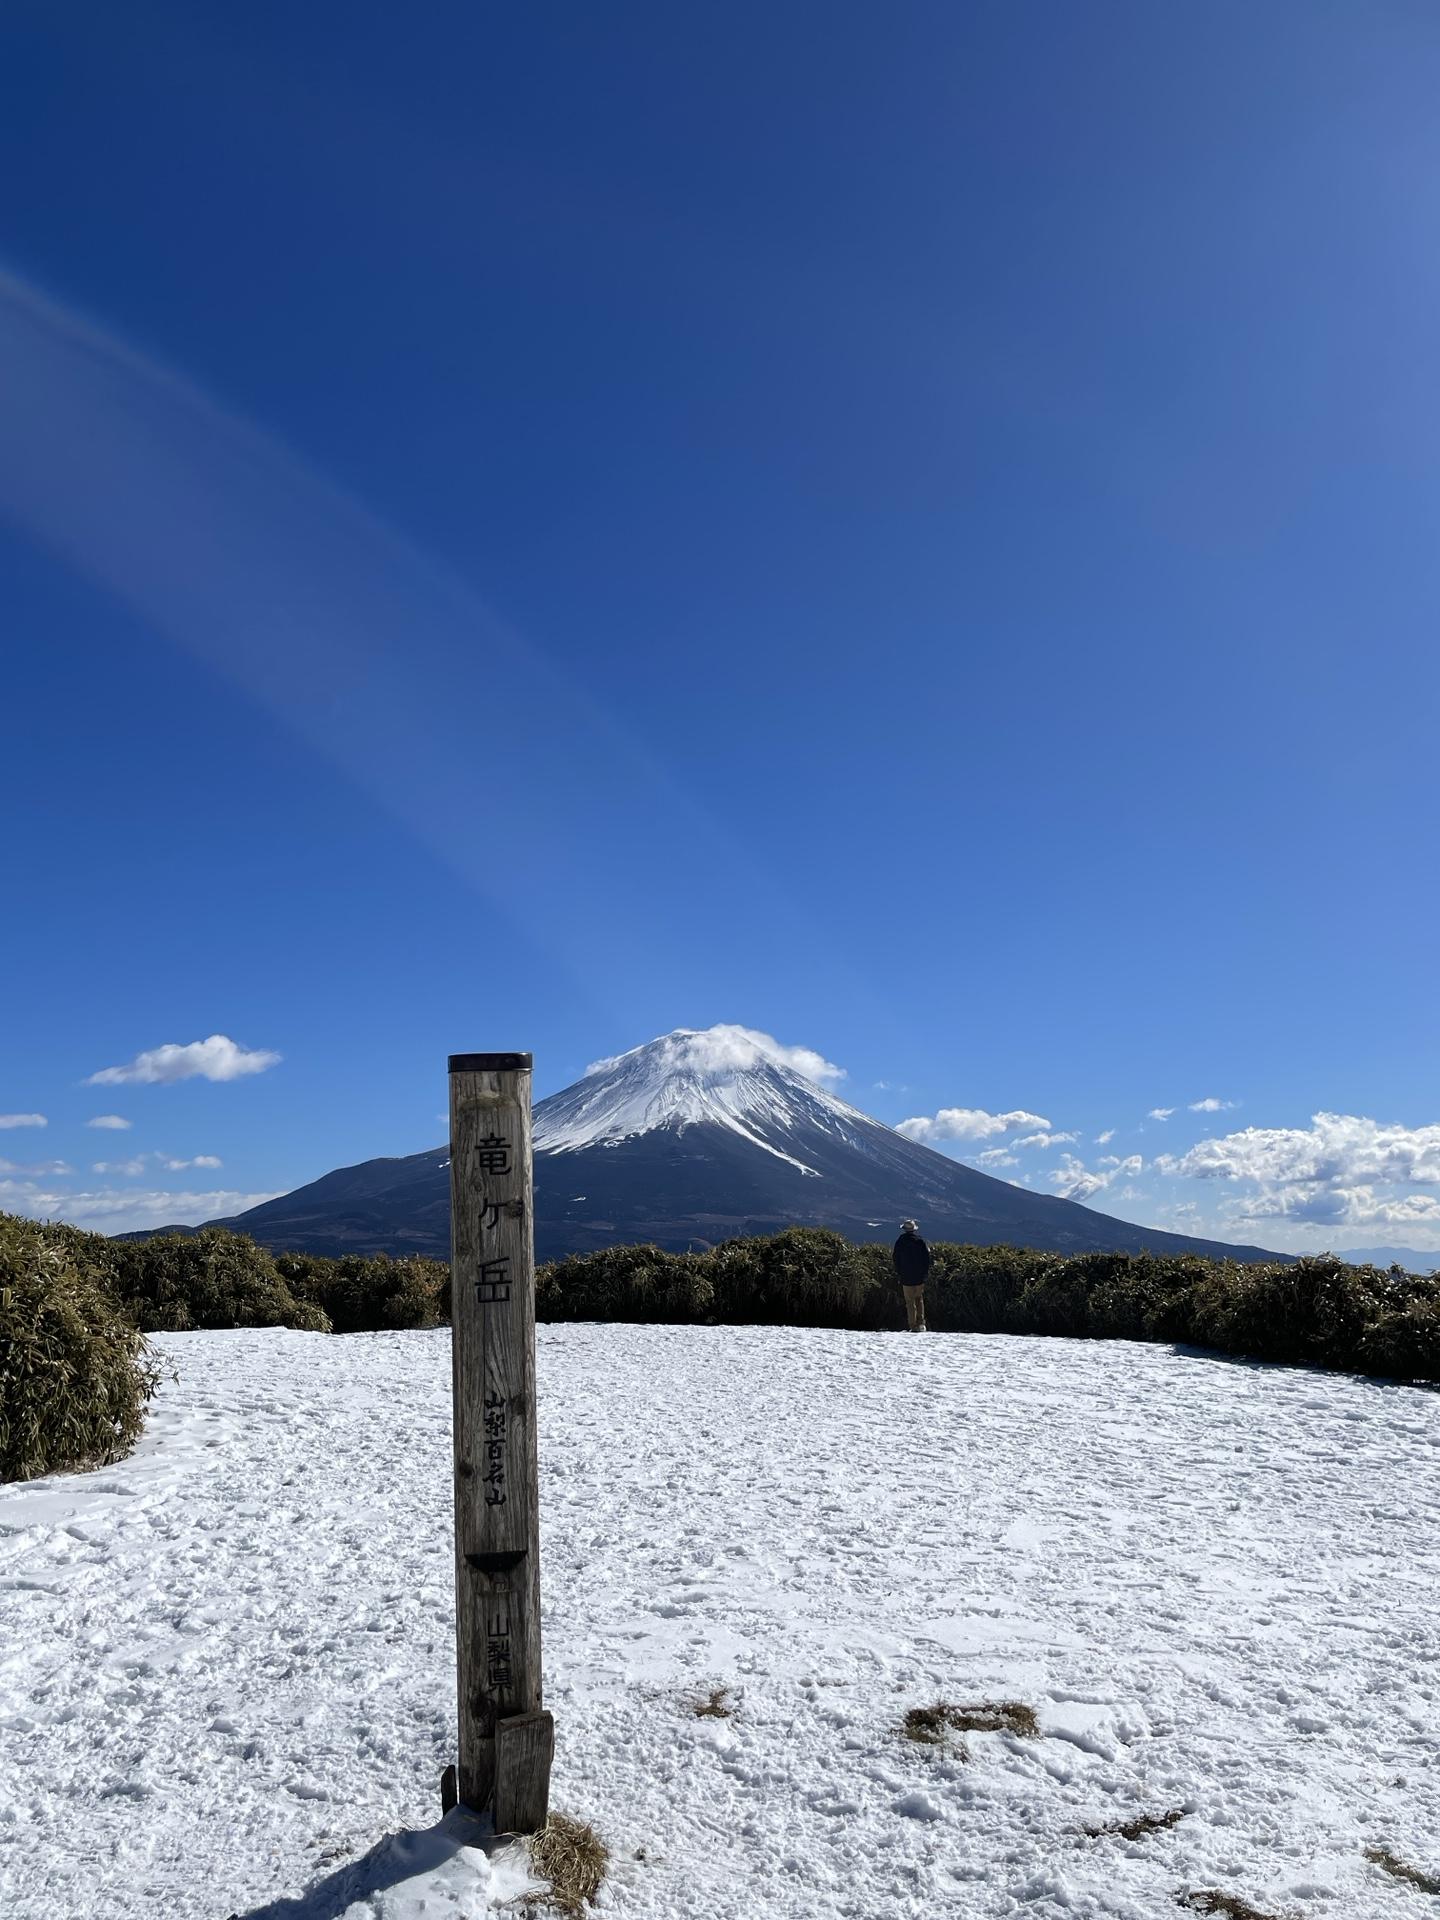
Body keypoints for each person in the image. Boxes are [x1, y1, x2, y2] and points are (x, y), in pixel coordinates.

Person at [893, 1218, 931, 1331]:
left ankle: (912, 1325)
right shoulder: (920, 1241)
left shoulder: (900, 1241)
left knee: (909, 1302)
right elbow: (927, 1259)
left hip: (906, 1277)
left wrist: (899, 1272)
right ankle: (921, 1323)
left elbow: (895, 1258)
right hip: (919, 1277)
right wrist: (925, 1273)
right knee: (919, 1299)